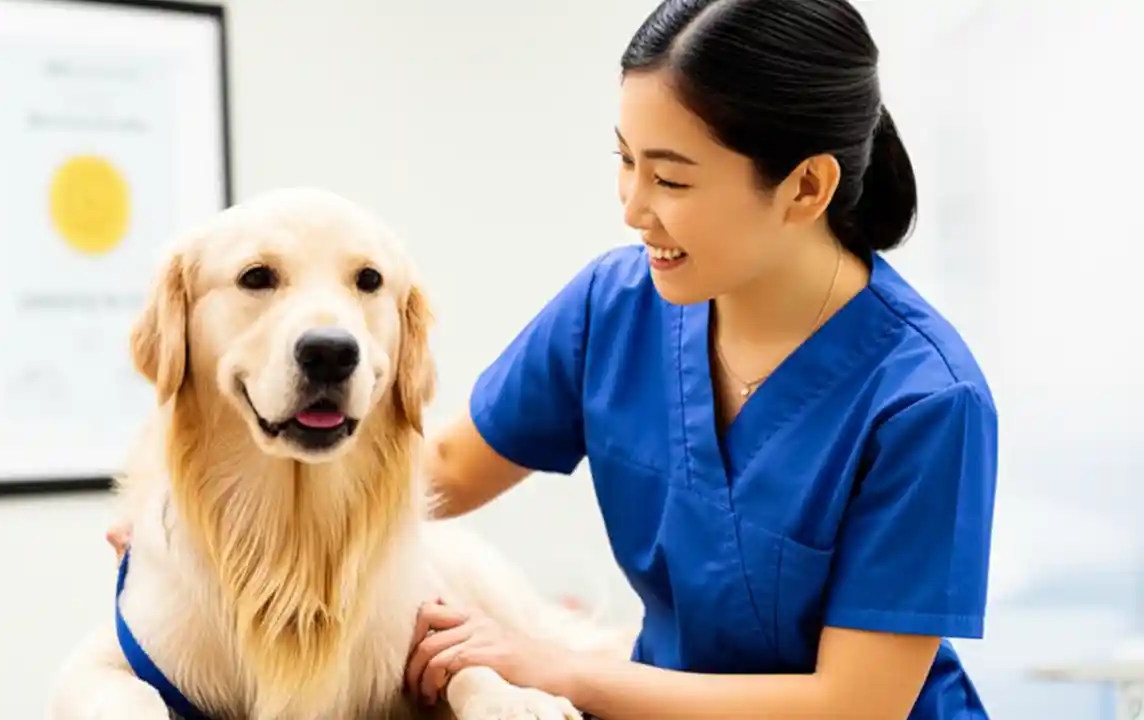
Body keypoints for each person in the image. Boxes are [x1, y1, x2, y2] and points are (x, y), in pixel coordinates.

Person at [402, 0, 998, 718]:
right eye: (625, 160)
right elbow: (442, 472)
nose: (632, 205)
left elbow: (853, 705)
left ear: (806, 187)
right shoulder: (611, 308)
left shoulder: (926, 400)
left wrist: (559, 668)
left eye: (672, 178)